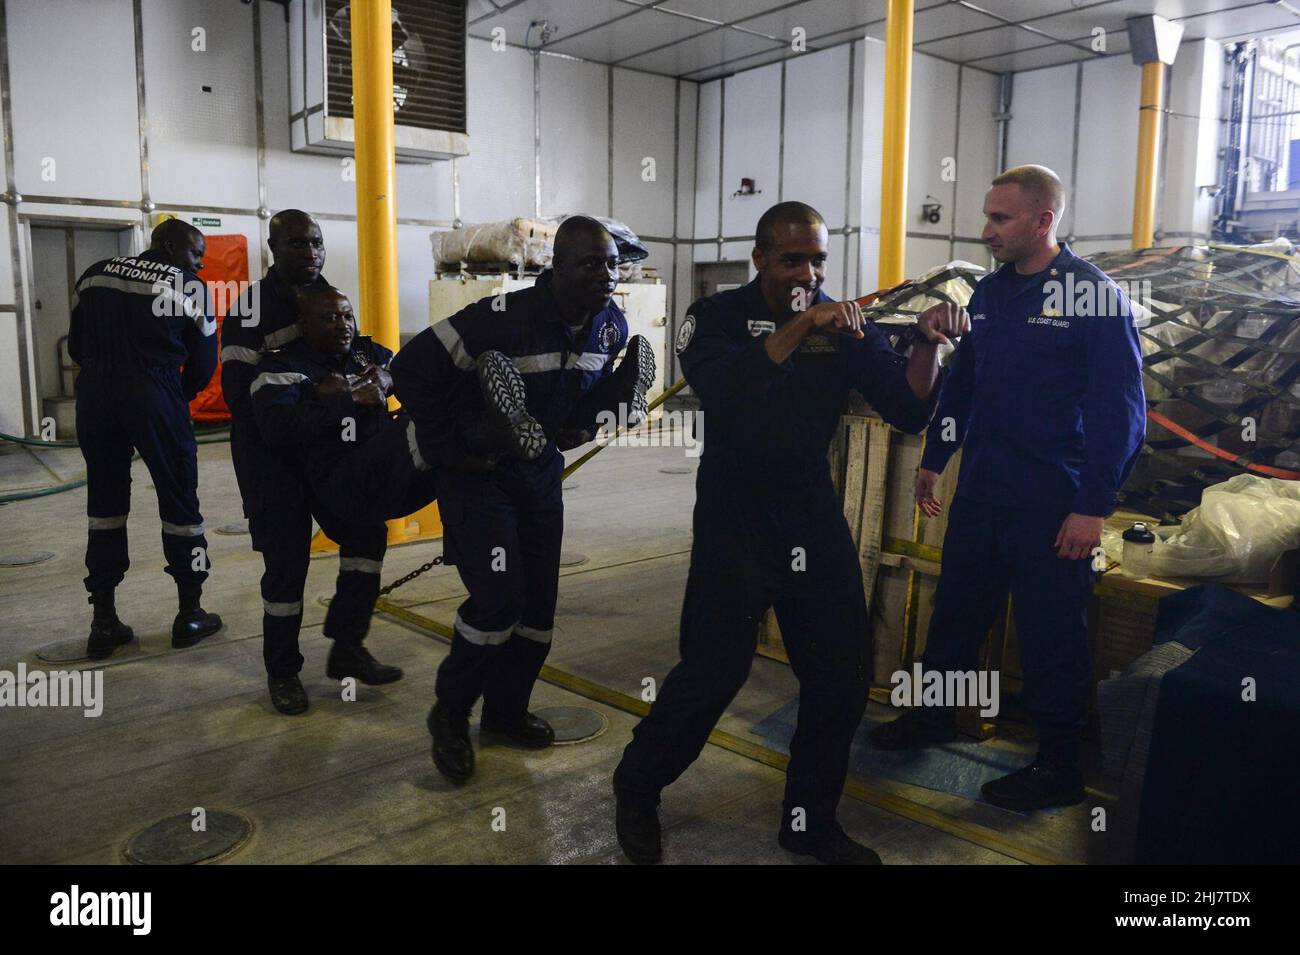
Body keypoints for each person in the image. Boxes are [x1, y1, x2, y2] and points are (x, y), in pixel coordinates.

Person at [611, 201, 965, 865]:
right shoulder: (714, 317)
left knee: (840, 672)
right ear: (761, 259)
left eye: (818, 259)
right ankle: (637, 784)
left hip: (809, 513)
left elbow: (909, 409)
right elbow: (724, 389)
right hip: (734, 517)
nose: (807, 271)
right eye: (792, 258)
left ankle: (807, 821)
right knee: (715, 671)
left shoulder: (846, 326)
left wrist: (925, 342)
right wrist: (804, 323)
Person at [868, 165, 1147, 813]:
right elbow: (965, 384)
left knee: (1052, 633)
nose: (985, 228)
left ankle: (1056, 765)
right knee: (956, 614)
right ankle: (934, 718)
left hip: (1054, 501)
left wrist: (1092, 507)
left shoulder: (1093, 298)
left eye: (1001, 218)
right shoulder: (991, 295)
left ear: (1044, 221)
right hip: (985, 492)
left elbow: (1121, 413)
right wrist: (937, 457)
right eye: (987, 215)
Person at [391, 215, 655, 784]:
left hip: (538, 474)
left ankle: (505, 713)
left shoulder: (609, 325)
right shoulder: (499, 319)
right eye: (589, 263)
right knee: (498, 601)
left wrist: (612, 400)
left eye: (611, 263)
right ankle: (451, 714)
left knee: (537, 610)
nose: (605, 274)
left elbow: (572, 412)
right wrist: (452, 448)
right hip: (478, 474)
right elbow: (408, 370)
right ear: (555, 268)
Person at [250, 286, 420, 713]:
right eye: (329, 319)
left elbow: (409, 372)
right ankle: (283, 672)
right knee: (287, 575)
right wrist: (346, 399)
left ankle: (347, 648)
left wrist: (384, 378)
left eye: (347, 317)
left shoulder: (367, 355)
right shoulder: (280, 367)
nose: (342, 325)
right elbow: (278, 428)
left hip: (354, 479)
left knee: (366, 546)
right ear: (303, 325)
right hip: (293, 481)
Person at [71, 218, 223, 659]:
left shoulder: (95, 272)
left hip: (96, 397)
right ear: (170, 245)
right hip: (155, 394)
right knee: (180, 504)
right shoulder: (189, 287)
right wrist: (175, 396)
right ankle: (190, 612)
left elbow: (76, 347)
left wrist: (102, 374)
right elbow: (203, 362)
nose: (199, 263)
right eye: (196, 253)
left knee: (104, 506)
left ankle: (103, 622)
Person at [220, 210, 331, 711]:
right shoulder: (249, 311)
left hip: (325, 449)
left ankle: (348, 645)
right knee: (286, 566)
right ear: (273, 248)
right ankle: (283, 672)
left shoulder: (327, 295)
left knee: (364, 533)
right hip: (270, 458)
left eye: (316, 243)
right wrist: (301, 406)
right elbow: (238, 394)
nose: (309, 253)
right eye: (297, 244)